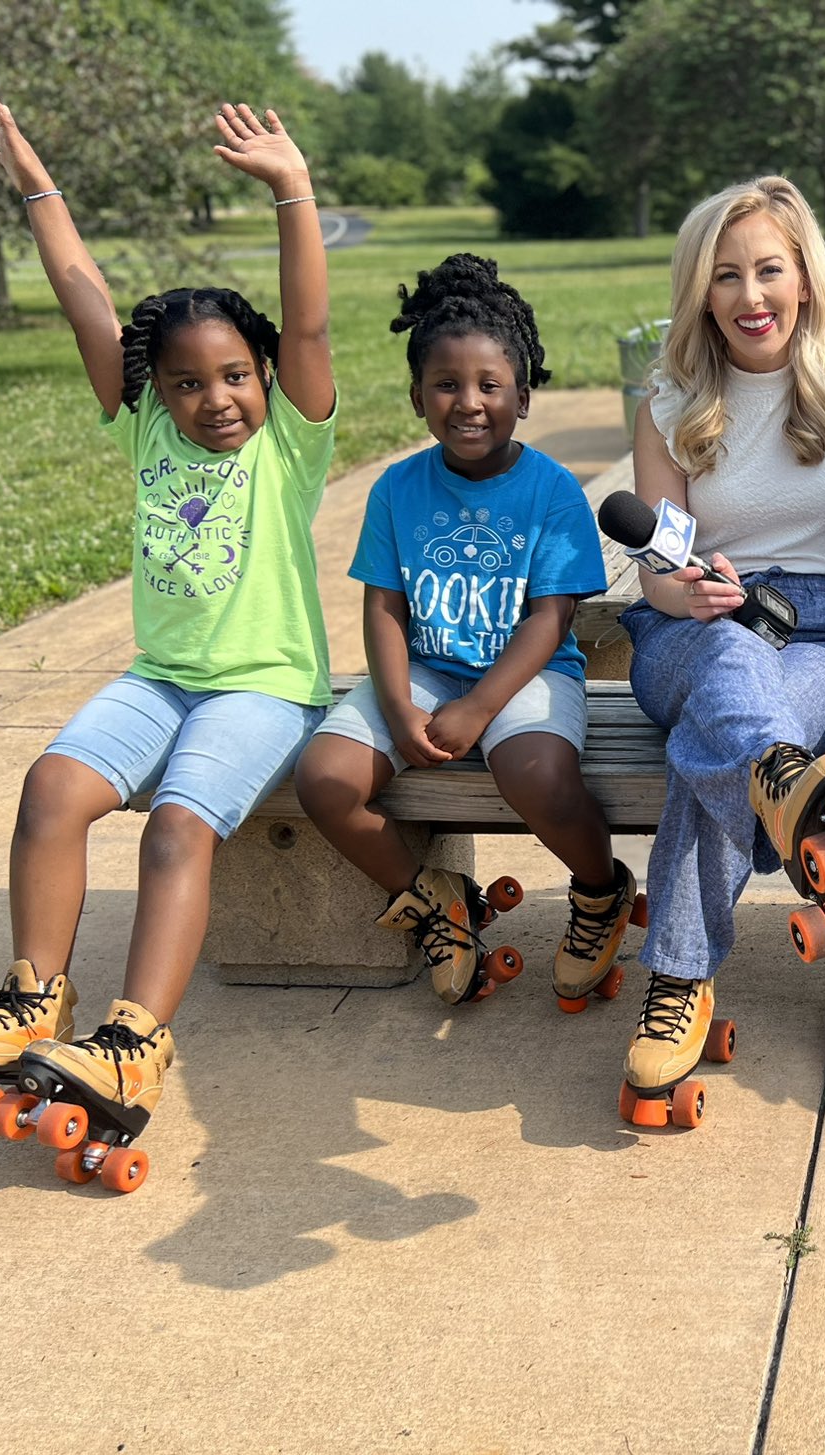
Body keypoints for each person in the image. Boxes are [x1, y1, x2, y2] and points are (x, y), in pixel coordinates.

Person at [0, 97, 335, 1193]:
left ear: (266, 373)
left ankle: (134, 1034)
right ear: (160, 390)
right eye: (189, 383)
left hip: (264, 692)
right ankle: (32, 1000)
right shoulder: (144, 420)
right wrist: (30, 176)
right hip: (160, 680)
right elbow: (79, 291)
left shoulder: (289, 434)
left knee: (177, 827)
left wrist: (293, 189)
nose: (214, 399)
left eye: (234, 374)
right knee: (51, 788)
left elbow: (312, 325)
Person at [620, 176, 825, 1128]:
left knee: (723, 748)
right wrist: (686, 590)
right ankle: (795, 786)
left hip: (818, 630)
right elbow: (657, 571)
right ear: (700, 291)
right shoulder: (670, 405)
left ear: (805, 277)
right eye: (727, 276)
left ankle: (679, 982)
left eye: (770, 271)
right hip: (685, 625)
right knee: (725, 668)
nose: (751, 297)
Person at [294, 254, 637, 1011]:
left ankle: (600, 891)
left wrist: (480, 708)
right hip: (424, 666)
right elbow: (383, 606)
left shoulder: (551, 490)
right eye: (446, 384)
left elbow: (552, 619)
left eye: (489, 385)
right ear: (418, 395)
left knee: (536, 776)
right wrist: (394, 707)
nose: (468, 402)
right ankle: (432, 900)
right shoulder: (397, 488)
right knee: (323, 779)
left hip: (529, 673)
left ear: (523, 393)